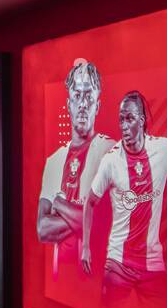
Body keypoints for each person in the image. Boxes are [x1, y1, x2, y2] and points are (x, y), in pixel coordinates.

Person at [80, 90, 167, 302]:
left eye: (130, 118)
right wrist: (86, 247)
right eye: (121, 119)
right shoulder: (111, 161)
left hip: (152, 264)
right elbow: (90, 203)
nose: (124, 126)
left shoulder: (164, 151)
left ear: (142, 121)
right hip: (118, 263)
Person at [37, 59, 115, 269]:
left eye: (89, 96)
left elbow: (103, 224)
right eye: (77, 96)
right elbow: (42, 229)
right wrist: (83, 218)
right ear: (68, 104)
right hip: (58, 280)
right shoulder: (54, 161)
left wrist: (59, 205)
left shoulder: (111, 151)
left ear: (97, 105)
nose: (82, 104)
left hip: (97, 279)